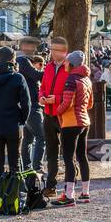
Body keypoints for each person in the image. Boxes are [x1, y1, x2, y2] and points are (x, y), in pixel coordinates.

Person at [0, 46, 32, 197]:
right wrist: (21, 119)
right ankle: (13, 195)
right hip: (12, 125)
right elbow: (26, 104)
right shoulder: (17, 78)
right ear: (12, 59)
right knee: (14, 162)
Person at [52, 50, 93, 206]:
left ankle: (69, 195)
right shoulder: (86, 79)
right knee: (82, 156)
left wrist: (57, 112)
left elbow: (66, 102)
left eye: (67, 61)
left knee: (69, 158)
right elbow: (90, 104)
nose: (65, 64)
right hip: (84, 121)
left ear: (72, 63)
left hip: (71, 122)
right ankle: (85, 192)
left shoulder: (71, 79)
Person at [37, 37, 70, 197]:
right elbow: (42, 87)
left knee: (68, 152)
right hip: (49, 114)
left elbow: (72, 92)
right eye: (51, 49)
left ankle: (70, 186)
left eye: (54, 49)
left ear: (63, 51)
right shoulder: (49, 67)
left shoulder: (70, 67)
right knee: (51, 153)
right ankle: (51, 186)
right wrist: (41, 97)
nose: (51, 52)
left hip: (64, 115)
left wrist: (55, 99)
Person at [15, 35, 47, 192]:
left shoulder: (20, 62)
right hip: (33, 106)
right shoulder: (23, 61)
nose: (34, 48)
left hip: (26, 106)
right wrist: (50, 69)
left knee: (27, 139)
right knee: (42, 137)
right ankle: (37, 168)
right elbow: (37, 75)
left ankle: (27, 168)